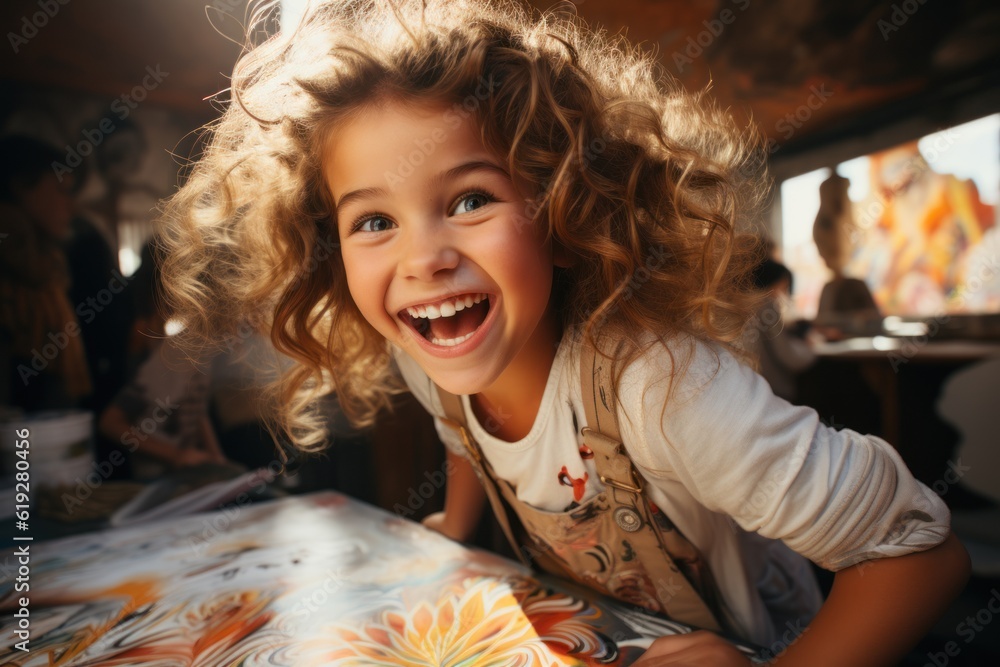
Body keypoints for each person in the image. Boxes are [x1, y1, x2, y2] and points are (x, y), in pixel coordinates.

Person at [158, 2, 969, 664]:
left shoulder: (661, 387)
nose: (423, 258)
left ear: (564, 209)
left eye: (470, 200)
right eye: (374, 220)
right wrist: (457, 528)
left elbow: (918, 553)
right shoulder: (428, 360)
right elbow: (461, 435)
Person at [0, 135, 91, 411]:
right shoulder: (13, 271)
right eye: (62, 190)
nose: (72, 206)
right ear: (20, 187)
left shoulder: (46, 265)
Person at [744, 258, 815, 403]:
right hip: (774, 391)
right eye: (784, 287)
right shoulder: (766, 305)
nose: (783, 293)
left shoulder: (743, 304)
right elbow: (789, 357)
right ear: (774, 282)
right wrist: (810, 349)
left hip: (751, 388)